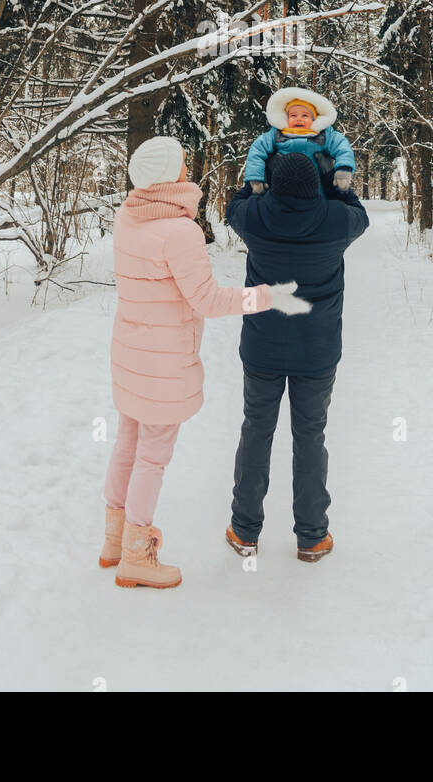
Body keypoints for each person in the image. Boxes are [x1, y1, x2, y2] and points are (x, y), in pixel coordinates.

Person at [99, 134, 309, 589]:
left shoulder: (127, 216)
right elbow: (208, 299)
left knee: (127, 445)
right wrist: (267, 296)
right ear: (166, 174)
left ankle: (115, 540)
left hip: (131, 355)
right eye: (180, 164)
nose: (186, 169)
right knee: (152, 456)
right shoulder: (180, 231)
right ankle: (137, 554)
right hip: (163, 363)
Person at [225, 151, 369, 562]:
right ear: (318, 184)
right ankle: (312, 536)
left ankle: (244, 530)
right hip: (317, 352)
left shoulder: (254, 219)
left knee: (256, 431)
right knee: (310, 436)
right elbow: (357, 209)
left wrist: (257, 180)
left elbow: (235, 204)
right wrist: (335, 184)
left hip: (261, 348)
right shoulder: (336, 222)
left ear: (272, 183)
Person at [243, 87, 356, 198]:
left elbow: (342, 147)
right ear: (286, 118)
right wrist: (256, 178)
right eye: (293, 115)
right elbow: (257, 151)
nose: (298, 119)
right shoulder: (277, 134)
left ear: (314, 119)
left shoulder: (323, 135)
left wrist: (343, 169)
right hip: (280, 189)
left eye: (305, 115)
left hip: (317, 193)